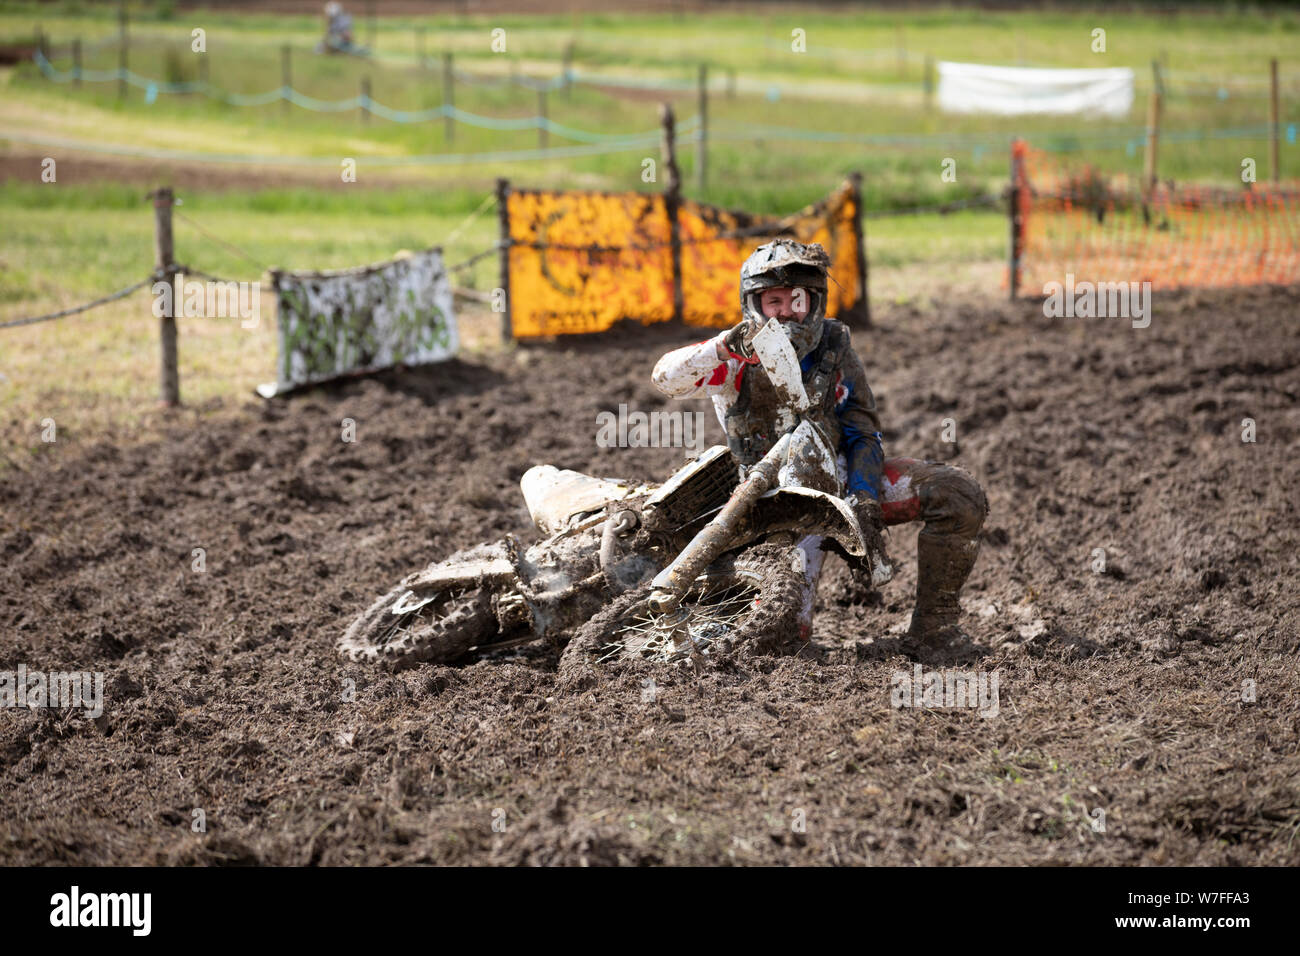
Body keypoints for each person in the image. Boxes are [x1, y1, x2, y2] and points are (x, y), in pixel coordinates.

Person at [650, 238, 988, 658]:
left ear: (815, 300)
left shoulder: (835, 345)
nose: (786, 311)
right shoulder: (734, 358)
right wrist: (720, 347)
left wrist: (864, 494)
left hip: (841, 484)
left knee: (958, 495)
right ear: (753, 302)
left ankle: (934, 629)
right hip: (769, 508)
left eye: (797, 299)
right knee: (781, 637)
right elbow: (665, 378)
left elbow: (862, 430)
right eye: (773, 300)